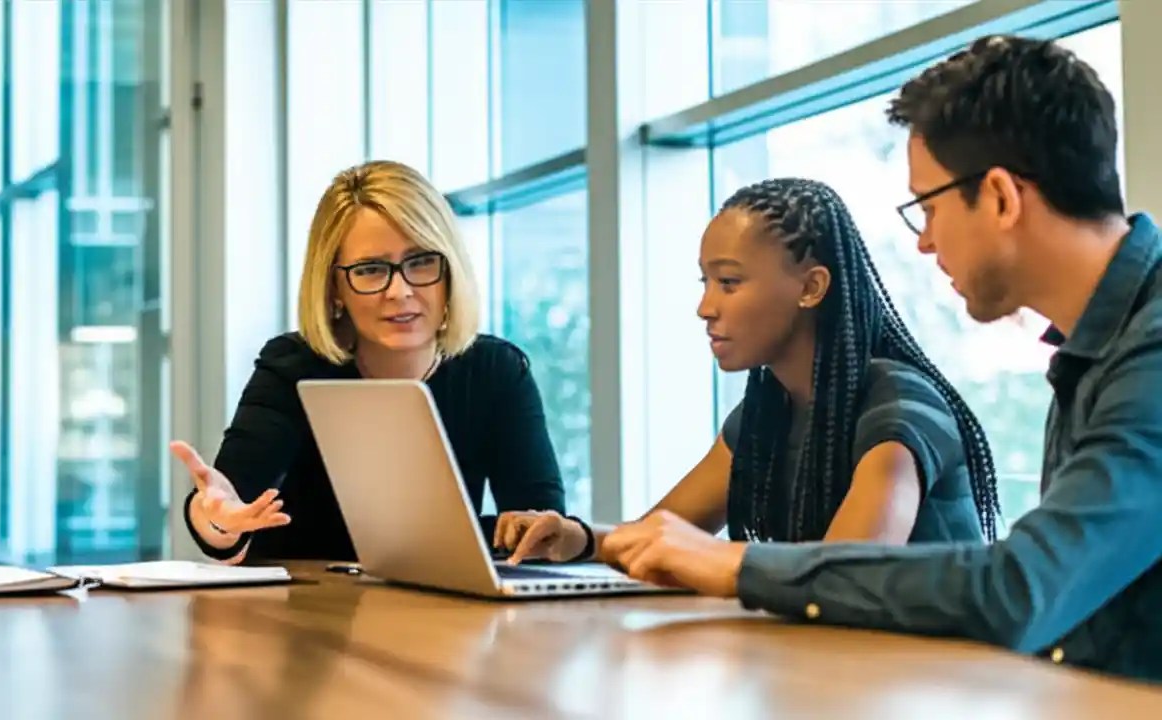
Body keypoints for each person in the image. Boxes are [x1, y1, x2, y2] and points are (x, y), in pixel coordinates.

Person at [600, 35, 1162, 682]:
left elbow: (1021, 589)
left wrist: (735, 566)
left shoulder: (1149, 353)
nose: (923, 243)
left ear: (1002, 197)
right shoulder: (1100, 347)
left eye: (928, 209)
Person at [496, 175, 1000, 565]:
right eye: (706, 281)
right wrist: (575, 537)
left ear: (811, 287)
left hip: (933, 685)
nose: (705, 307)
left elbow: (844, 573)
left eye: (730, 283)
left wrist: (704, 560)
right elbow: (660, 535)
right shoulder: (765, 414)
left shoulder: (897, 408)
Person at [170, 159, 567, 564]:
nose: (400, 290)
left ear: (450, 271)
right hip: (301, 613)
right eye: (371, 269)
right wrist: (213, 518)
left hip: (438, 612)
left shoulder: (496, 371)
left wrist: (526, 532)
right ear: (334, 287)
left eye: (421, 262)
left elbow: (540, 531)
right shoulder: (294, 366)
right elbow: (230, 513)